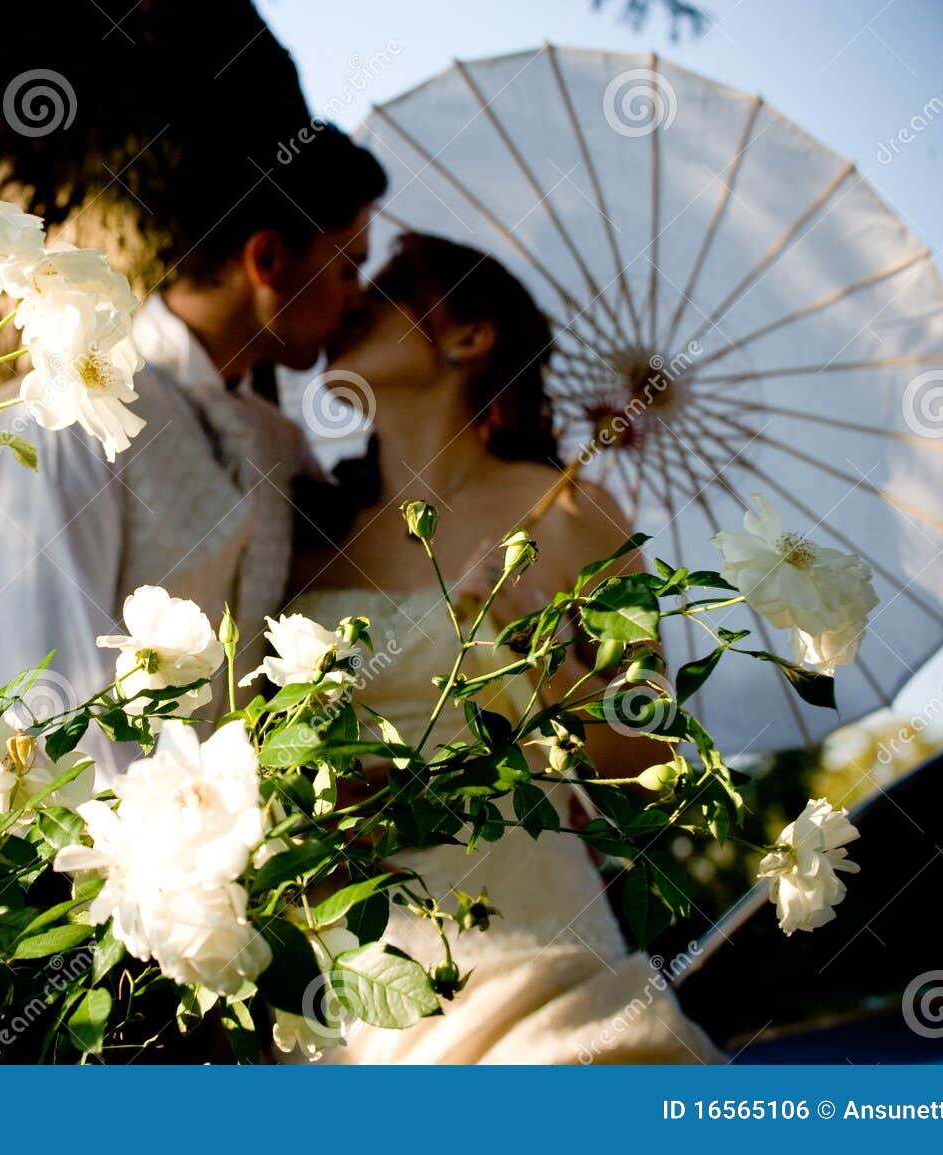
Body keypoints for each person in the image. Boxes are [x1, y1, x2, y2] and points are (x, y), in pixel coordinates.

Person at [283, 233, 725, 1064]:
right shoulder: (306, 540)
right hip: (357, 981)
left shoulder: (567, 511)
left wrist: (538, 655)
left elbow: (648, 745)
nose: (350, 302)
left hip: (533, 955)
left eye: (383, 290)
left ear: (466, 337)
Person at [0, 125, 387, 781]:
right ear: (268, 260)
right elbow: (39, 695)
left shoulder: (281, 443)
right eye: (347, 266)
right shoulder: (56, 412)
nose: (360, 298)